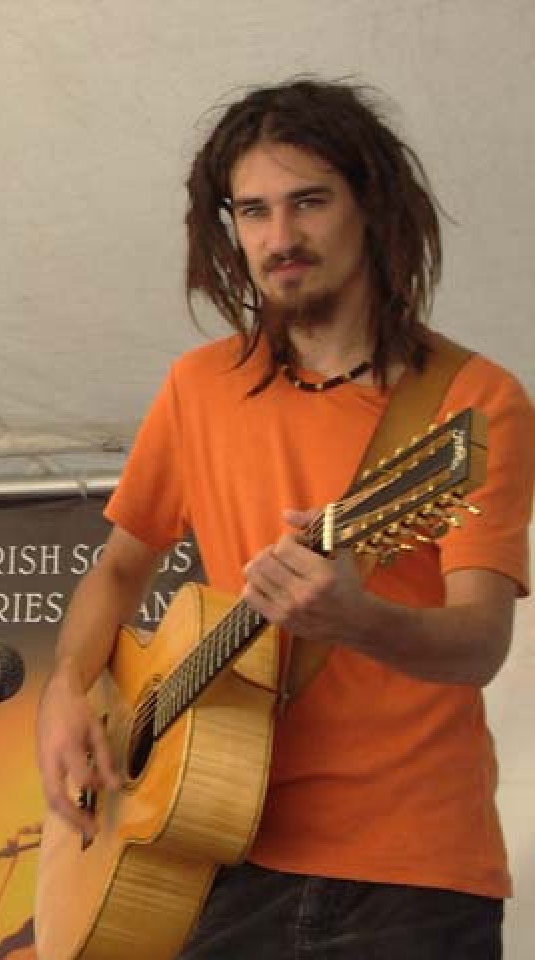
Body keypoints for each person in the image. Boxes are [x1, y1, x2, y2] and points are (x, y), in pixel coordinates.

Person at [36, 79, 534, 958]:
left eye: (309, 202)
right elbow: (119, 570)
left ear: (371, 208)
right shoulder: (198, 386)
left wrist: (360, 620)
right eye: (253, 211)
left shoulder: (470, 401)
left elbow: (480, 642)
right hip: (215, 856)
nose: (280, 237)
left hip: (412, 874)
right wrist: (64, 693)